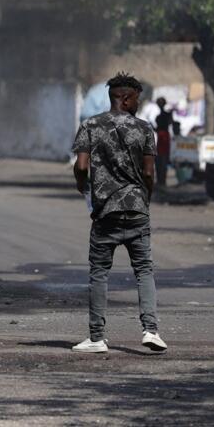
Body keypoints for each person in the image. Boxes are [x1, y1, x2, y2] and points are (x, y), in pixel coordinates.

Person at [71, 72, 167, 353]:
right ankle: (151, 330)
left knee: (99, 272)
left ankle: (97, 337)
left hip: (105, 213)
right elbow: (149, 173)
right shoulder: (144, 129)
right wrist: (145, 197)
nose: (138, 104)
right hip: (137, 209)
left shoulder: (90, 125)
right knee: (144, 270)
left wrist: (82, 186)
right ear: (125, 98)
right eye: (136, 99)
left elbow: (80, 166)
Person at [153, 97, 173, 187]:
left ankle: (162, 180)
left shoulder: (162, 116)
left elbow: (161, 127)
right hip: (163, 137)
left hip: (163, 137)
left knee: (162, 158)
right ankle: (161, 180)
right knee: (161, 158)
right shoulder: (166, 115)